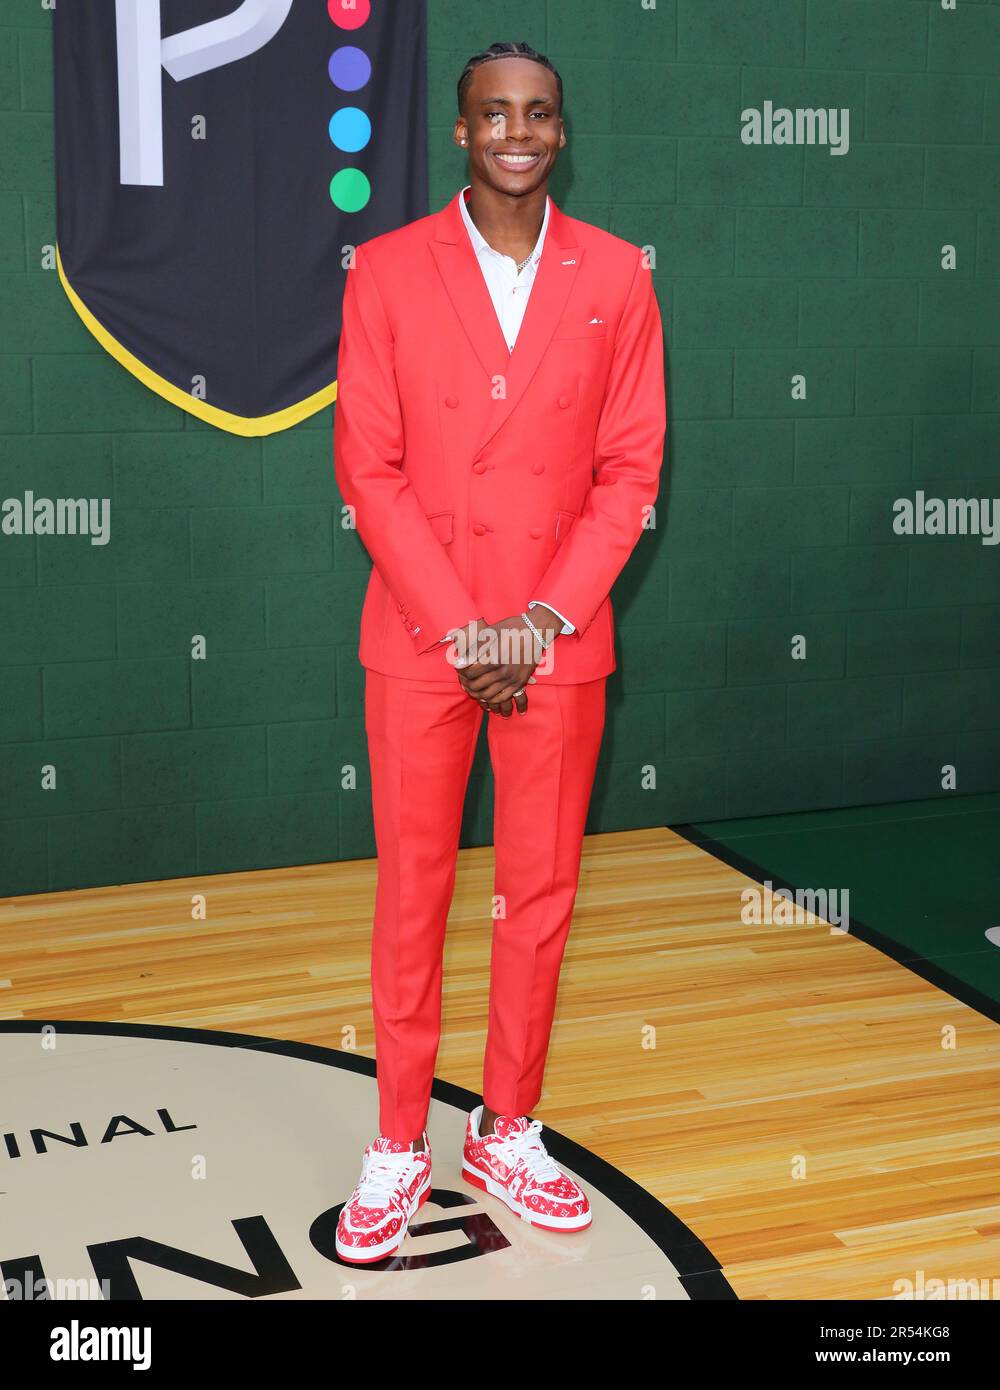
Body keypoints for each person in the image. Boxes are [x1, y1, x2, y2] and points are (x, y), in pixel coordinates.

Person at [332, 41, 666, 1263]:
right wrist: (464, 623)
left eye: (538, 113)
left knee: (538, 897)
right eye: (492, 113)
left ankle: (505, 1126)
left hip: (555, 643)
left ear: (561, 133)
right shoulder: (384, 268)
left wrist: (536, 622)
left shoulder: (621, 274)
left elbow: (631, 472)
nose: (516, 130)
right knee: (411, 892)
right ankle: (395, 1143)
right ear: (461, 133)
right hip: (424, 641)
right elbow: (367, 467)